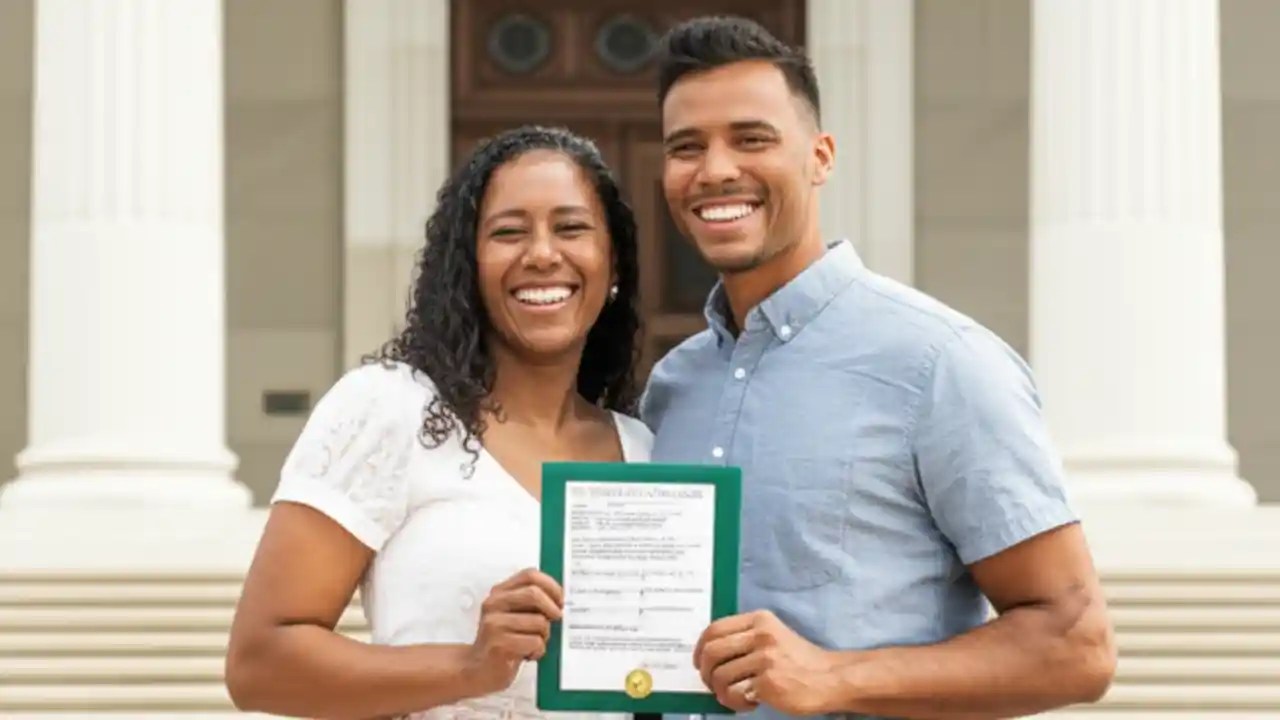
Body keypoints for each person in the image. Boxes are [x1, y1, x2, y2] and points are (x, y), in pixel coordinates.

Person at [639, 16, 1117, 720]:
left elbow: (1077, 645)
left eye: (752, 139)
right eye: (688, 147)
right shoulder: (671, 389)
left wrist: (836, 677)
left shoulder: (941, 364)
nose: (715, 170)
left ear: (821, 157)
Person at [225, 125, 649, 720]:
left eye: (572, 227)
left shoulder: (646, 452)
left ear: (614, 268)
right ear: (468, 267)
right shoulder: (391, 408)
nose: (543, 253)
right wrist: (470, 666)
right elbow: (259, 666)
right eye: (508, 232)